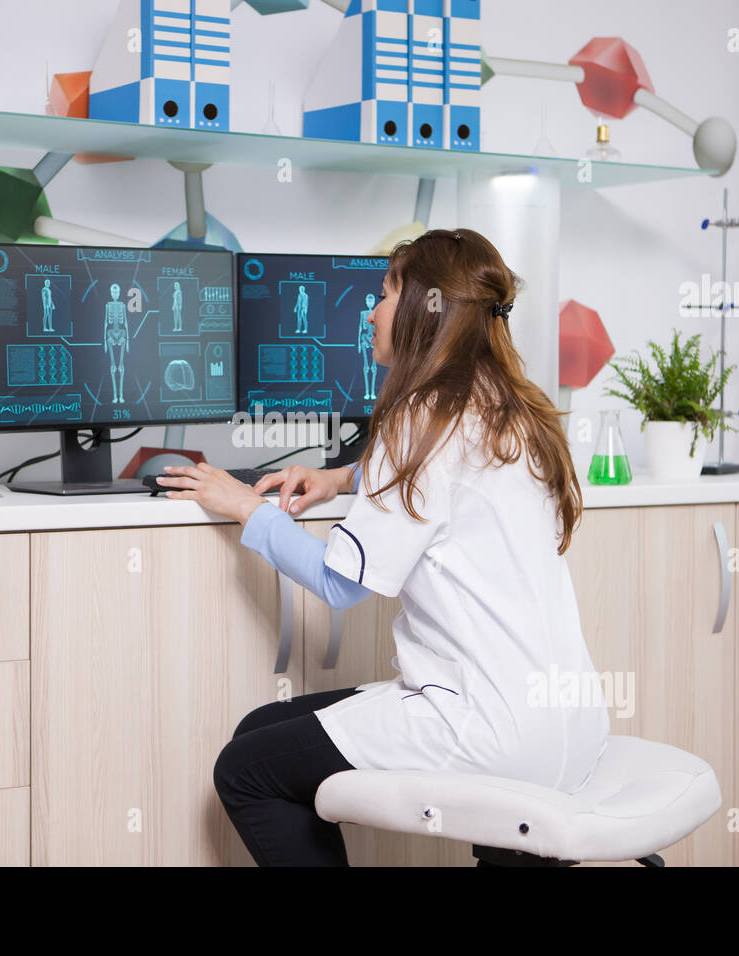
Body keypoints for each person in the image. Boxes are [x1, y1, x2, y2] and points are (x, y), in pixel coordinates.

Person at [155, 229, 610, 866]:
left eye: (385, 293)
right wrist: (344, 477)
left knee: (245, 769)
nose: (370, 312)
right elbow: (443, 479)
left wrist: (244, 507)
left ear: (425, 308)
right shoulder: (516, 410)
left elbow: (342, 585)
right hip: (570, 722)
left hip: (484, 725)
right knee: (265, 732)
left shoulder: (418, 415)